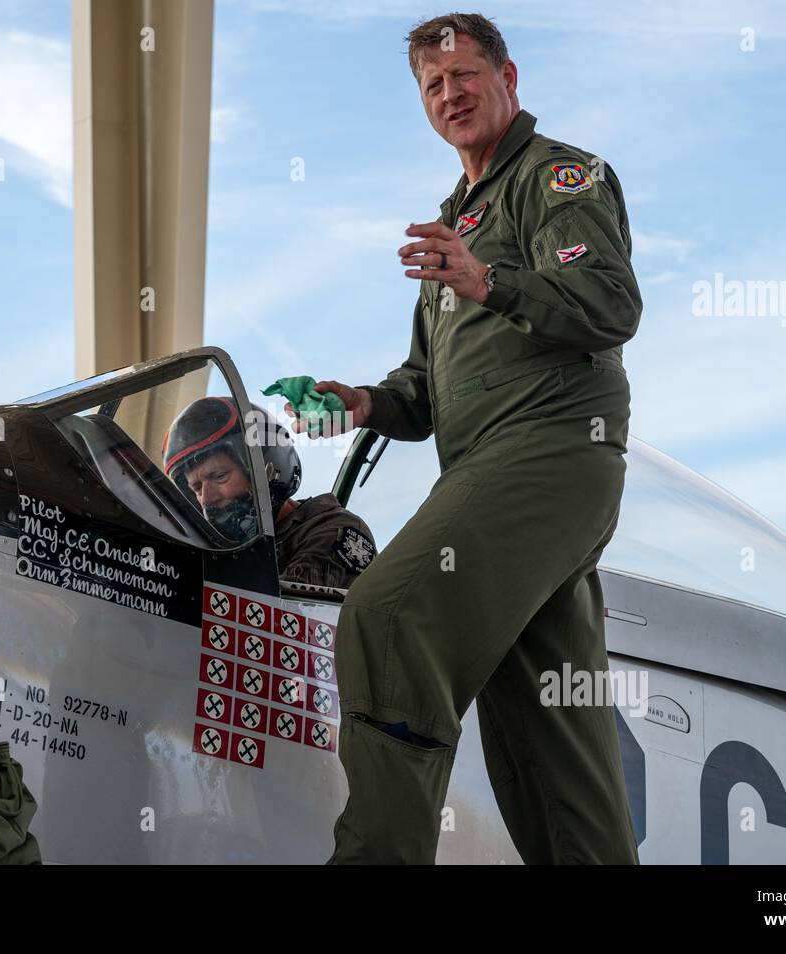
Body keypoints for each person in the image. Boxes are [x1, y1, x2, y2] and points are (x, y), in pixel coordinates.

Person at [289, 13, 642, 864]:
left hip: (553, 452)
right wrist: (362, 401)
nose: (451, 94)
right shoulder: (458, 224)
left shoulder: (558, 176)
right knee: (549, 749)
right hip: (493, 470)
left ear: (508, 77)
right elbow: (427, 389)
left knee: (387, 615)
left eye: (464, 75)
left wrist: (487, 279)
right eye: (432, 85)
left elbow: (609, 302)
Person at [163, 397, 376, 589]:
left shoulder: (332, 531)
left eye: (219, 476)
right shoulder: (222, 550)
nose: (207, 499)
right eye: (197, 488)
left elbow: (290, 617)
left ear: (267, 468)